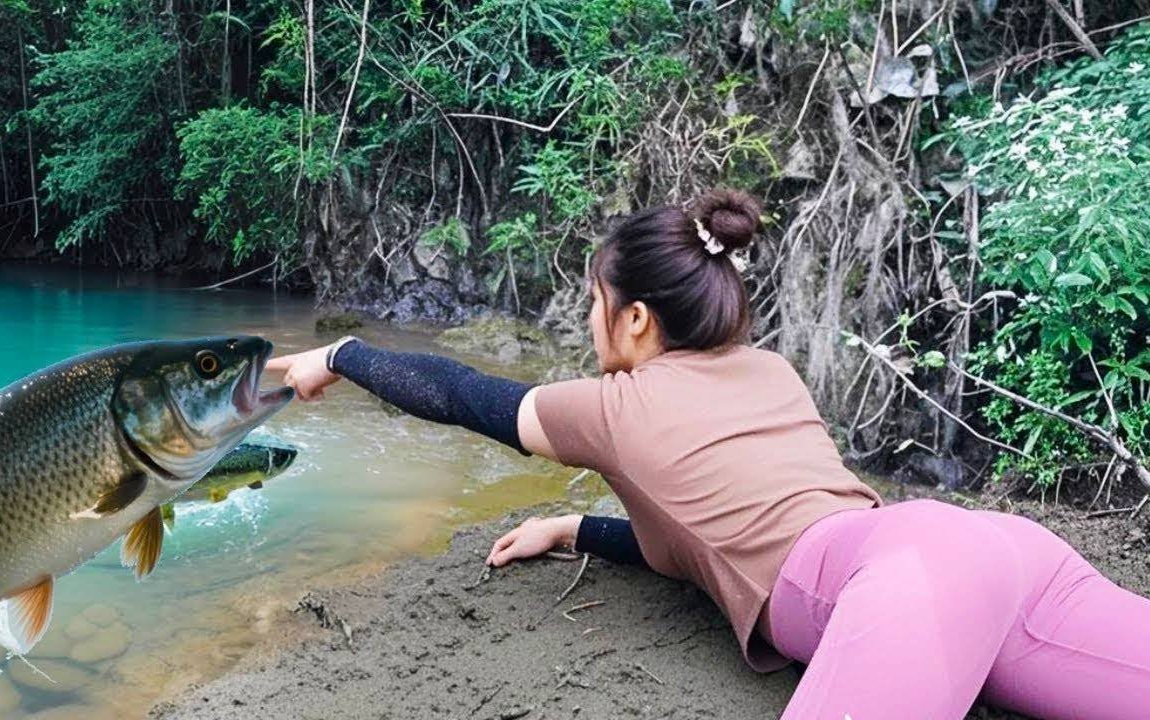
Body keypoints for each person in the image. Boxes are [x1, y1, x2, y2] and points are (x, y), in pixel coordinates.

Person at [266, 189, 1150, 720]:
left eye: (593, 302)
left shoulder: (619, 407)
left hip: (909, 578)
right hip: (997, 552)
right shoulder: (766, 369)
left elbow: (463, 396)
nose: (589, 321)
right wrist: (573, 529)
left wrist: (339, 355)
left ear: (634, 317)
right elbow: (713, 538)